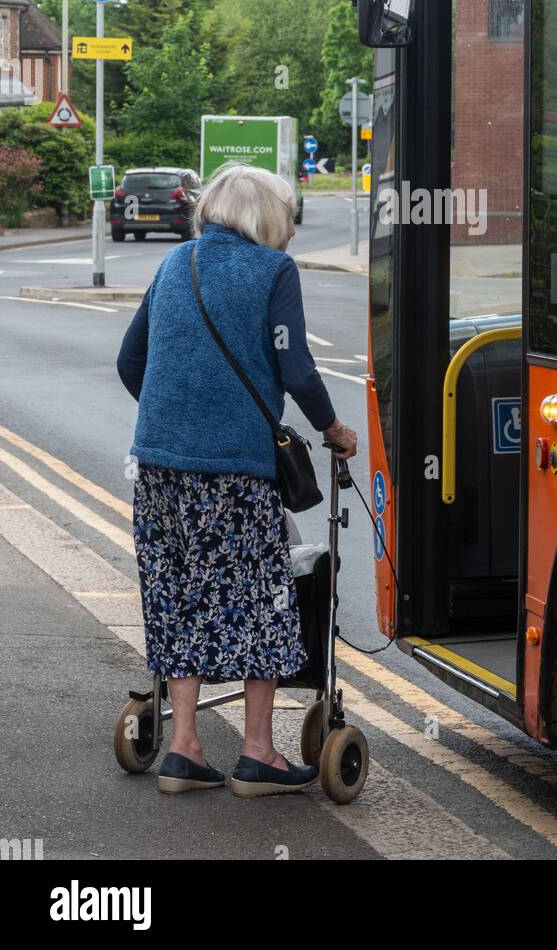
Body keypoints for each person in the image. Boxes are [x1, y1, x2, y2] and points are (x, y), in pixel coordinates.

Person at [116, 162, 357, 797]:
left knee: (178, 593)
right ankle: (257, 755)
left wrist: (177, 418)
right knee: (259, 599)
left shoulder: (176, 264)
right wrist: (334, 430)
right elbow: (296, 367)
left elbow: (130, 360)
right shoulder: (274, 272)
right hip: (235, 474)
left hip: (160, 467)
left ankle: (183, 750)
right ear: (269, 218)